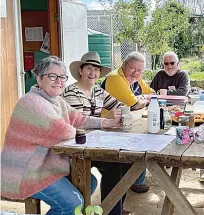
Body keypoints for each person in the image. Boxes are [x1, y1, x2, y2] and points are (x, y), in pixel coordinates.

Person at [1, 56, 122, 215]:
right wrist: (96, 133)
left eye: (62, 77)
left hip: (45, 166)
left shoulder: (55, 100)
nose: (58, 81)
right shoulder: (31, 103)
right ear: (39, 79)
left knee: (88, 182)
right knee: (73, 203)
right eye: (52, 76)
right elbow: (63, 131)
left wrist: (104, 123)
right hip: (24, 172)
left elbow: (78, 118)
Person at [62, 52, 131, 215]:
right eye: (89, 68)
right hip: (75, 148)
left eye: (97, 69)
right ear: (80, 70)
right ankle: (112, 209)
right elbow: (79, 122)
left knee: (126, 161)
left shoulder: (98, 92)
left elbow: (119, 105)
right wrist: (106, 120)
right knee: (115, 165)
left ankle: (114, 207)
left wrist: (121, 113)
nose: (93, 73)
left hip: (94, 142)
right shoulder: (72, 92)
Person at [102, 51, 152, 193]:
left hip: (127, 122)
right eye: (132, 68)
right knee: (142, 142)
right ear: (123, 64)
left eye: (139, 70)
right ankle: (134, 181)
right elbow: (135, 104)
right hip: (108, 127)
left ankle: (136, 180)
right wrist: (144, 99)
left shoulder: (135, 77)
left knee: (147, 137)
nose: (136, 73)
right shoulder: (115, 78)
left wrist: (143, 97)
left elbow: (151, 92)